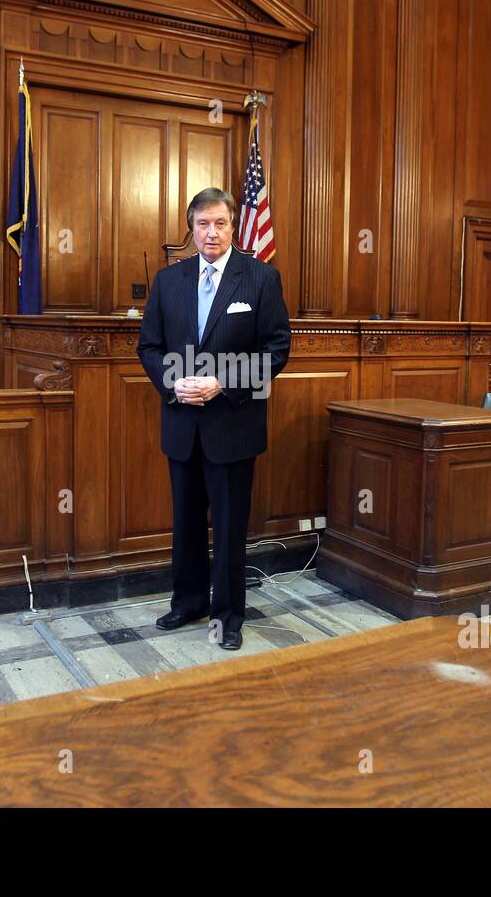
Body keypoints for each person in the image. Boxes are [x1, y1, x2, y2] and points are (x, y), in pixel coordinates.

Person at [136, 187, 291, 650]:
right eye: (202, 224)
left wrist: (222, 382)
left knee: (227, 528)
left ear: (233, 227)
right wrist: (173, 383)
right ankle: (187, 603)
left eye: (220, 223)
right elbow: (149, 346)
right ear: (192, 229)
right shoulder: (169, 281)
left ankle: (227, 616)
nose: (211, 232)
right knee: (185, 522)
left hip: (233, 423)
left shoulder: (261, 279)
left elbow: (276, 350)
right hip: (182, 425)